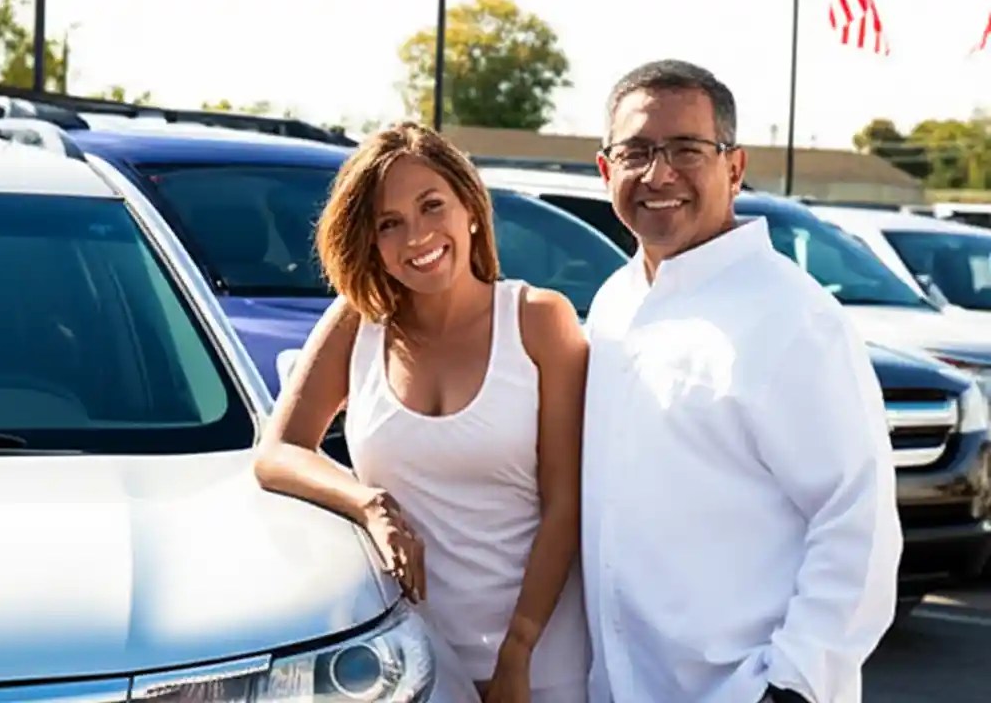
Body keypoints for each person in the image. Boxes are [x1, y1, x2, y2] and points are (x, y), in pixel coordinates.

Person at [581, 58, 903, 703]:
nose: (659, 172)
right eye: (637, 151)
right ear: (605, 168)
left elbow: (857, 522)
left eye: (686, 149)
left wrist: (790, 684)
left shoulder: (793, 317)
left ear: (734, 167)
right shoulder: (614, 300)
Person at [253, 121, 591, 702]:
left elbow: (566, 504)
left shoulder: (538, 320)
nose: (417, 236)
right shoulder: (357, 323)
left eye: (432, 206)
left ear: (471, 210)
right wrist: (369, 503)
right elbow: (278, 454)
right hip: (409, 653)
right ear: (372, 243)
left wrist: (519, 651)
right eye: (390, 223)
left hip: (541, 656)